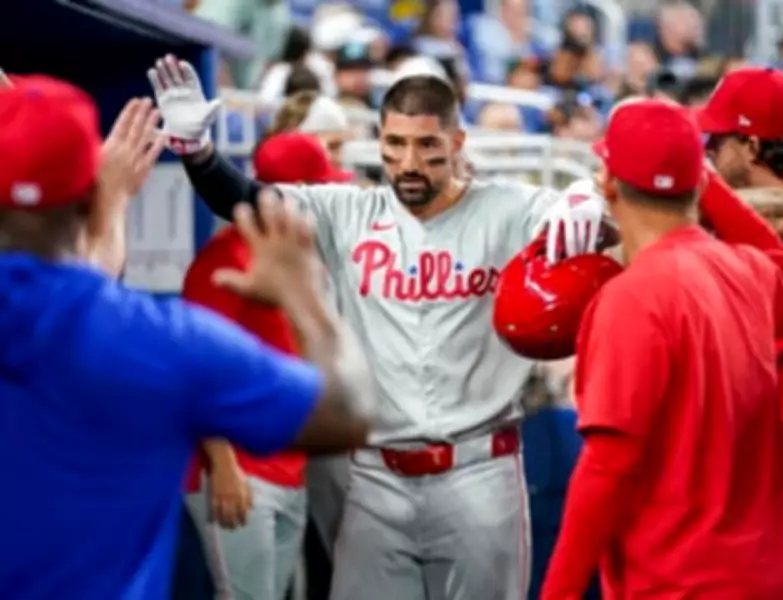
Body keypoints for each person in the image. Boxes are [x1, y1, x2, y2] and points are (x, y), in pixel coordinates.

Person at [148, 53, 606, 600]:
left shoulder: (506, 208)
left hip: (478, 469)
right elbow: (247, 199)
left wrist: (587, 199)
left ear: (457, 144)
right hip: (375, 478)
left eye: (427, 147)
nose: (409, 162)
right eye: (395, 146)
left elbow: (584, 225)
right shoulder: (349, 211)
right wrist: (199, 156)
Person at [0, 75, 376, 599]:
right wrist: (305, 297)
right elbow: (347, 412)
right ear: (86, 193)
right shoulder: (155, 341)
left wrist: (108, 205)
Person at [541, 98, 783, 599]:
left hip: (679, 582)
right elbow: (781, 264)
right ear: (697, 184)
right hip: (774, 576)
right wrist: (707, 184)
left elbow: (608, 465)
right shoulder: (747, 271)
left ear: (610, 183)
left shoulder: (629, 297)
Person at [183, 132, 353, 600]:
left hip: (286, 467)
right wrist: (224, 465)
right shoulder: (224, 259)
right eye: (311, 191)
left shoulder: (295, 263)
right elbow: (198, 372)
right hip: (237, 469)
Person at [697, 66, 783, 504]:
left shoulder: (773, 257)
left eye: (717, 143)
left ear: (752, 146)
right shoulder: (738, 236)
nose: (707, 153)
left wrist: (695, 183)